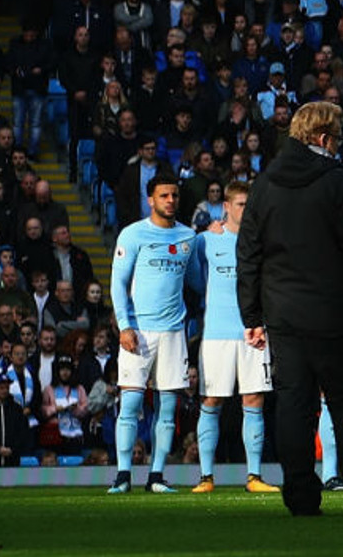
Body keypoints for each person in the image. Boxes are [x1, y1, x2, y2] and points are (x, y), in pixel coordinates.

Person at [237, 102, 343, 517]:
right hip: (334, 312)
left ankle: (302, 500)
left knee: (293, 406)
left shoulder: (265, 184)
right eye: (337, 137)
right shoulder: (338, 182)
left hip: (282, 315)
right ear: (324, 139)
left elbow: (247, 253)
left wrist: (251, 317)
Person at [107, 172, 199, 494]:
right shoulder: (132, 235)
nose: (171, 201)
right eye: (164, 196)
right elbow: (117, 283)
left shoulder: (189, 237)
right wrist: (125, 326)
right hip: (139, 331)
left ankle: (156, 476)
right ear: (151, 200)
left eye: (174, 195)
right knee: (130, 403)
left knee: (167, 409)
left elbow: (198, 283)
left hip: (174, 332)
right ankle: (122, 475)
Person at [191, 181, 279, 494]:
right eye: (241, 204)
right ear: (226, 206)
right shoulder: (205, 241)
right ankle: (205, 477)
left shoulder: (262, 242)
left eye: (250, 204)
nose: (247, 209)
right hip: (217, 333)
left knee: (254, 399)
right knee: (211, 400)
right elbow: (195, 280)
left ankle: (254, 476)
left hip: (254, 332)